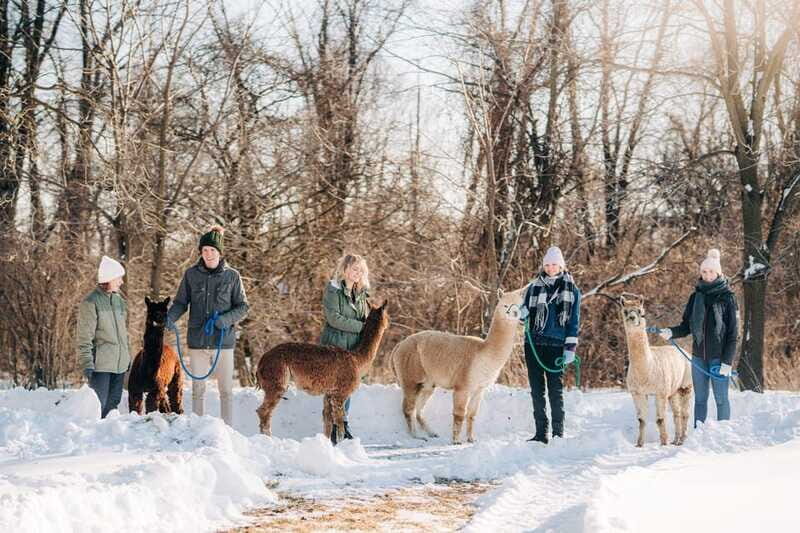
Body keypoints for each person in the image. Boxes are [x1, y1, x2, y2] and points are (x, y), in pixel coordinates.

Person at [166, 226, 249, 426]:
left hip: (223, 341)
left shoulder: (232, 276)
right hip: (198, 340)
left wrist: (225, 320)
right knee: (198, 389)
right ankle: (197, 427)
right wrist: (169, 318)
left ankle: (227, 430)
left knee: (226, 390)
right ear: (201, 252)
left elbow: (243, 307)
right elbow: (180, 302)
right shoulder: (191, 275)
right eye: (205, 250)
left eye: (212, 250)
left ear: (220, 252)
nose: (208, 254)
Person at [657, 248, 738, 427]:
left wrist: (727, 361)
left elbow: (733, 334)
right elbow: (686, 326)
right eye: (704, 271)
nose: (707, 275)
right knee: (700, 399)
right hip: (698, 357)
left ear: (718, 273)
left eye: (711, 271)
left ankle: (723, 434)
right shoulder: (695, 297)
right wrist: (671, 332)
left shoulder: (728, 298)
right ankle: (698, 435)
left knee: (721, 399)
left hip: (719, 358)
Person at [518, 246, 581, 444]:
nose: (550, 268)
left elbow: (573, 322)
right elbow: (524, 313)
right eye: (547, 265)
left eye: (554, 264)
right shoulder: (533, 287)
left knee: (555, 390)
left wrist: (570, 348)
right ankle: (540, 433)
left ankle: (557, 434)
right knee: (537, 390)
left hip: (556, 345)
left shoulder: (572, 290)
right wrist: (522, 313)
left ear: (561, 265)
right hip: (533, 344)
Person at [320, 253, 370, 440]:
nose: (358, 273)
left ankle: (343, 423)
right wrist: (362, 327)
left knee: (347, 387)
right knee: (334, 387)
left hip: (354, 348)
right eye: (355, 269)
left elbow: (365, 318)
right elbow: (334, 319)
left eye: (361, 270)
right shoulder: (333, 290)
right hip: (335, 346)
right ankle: (332, 426)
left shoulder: (362, 293)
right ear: (345, 269)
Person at [77, 256, 131, 418]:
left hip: (119, 365)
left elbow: (123, 333)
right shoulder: (91, 302)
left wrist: (127, 356)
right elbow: (84, 337)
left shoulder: (119, 301)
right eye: (119, 278)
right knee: (98, 408)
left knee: (112, 409)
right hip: (100, 366)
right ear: (109, 278)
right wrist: (87, 362)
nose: (121, 282)